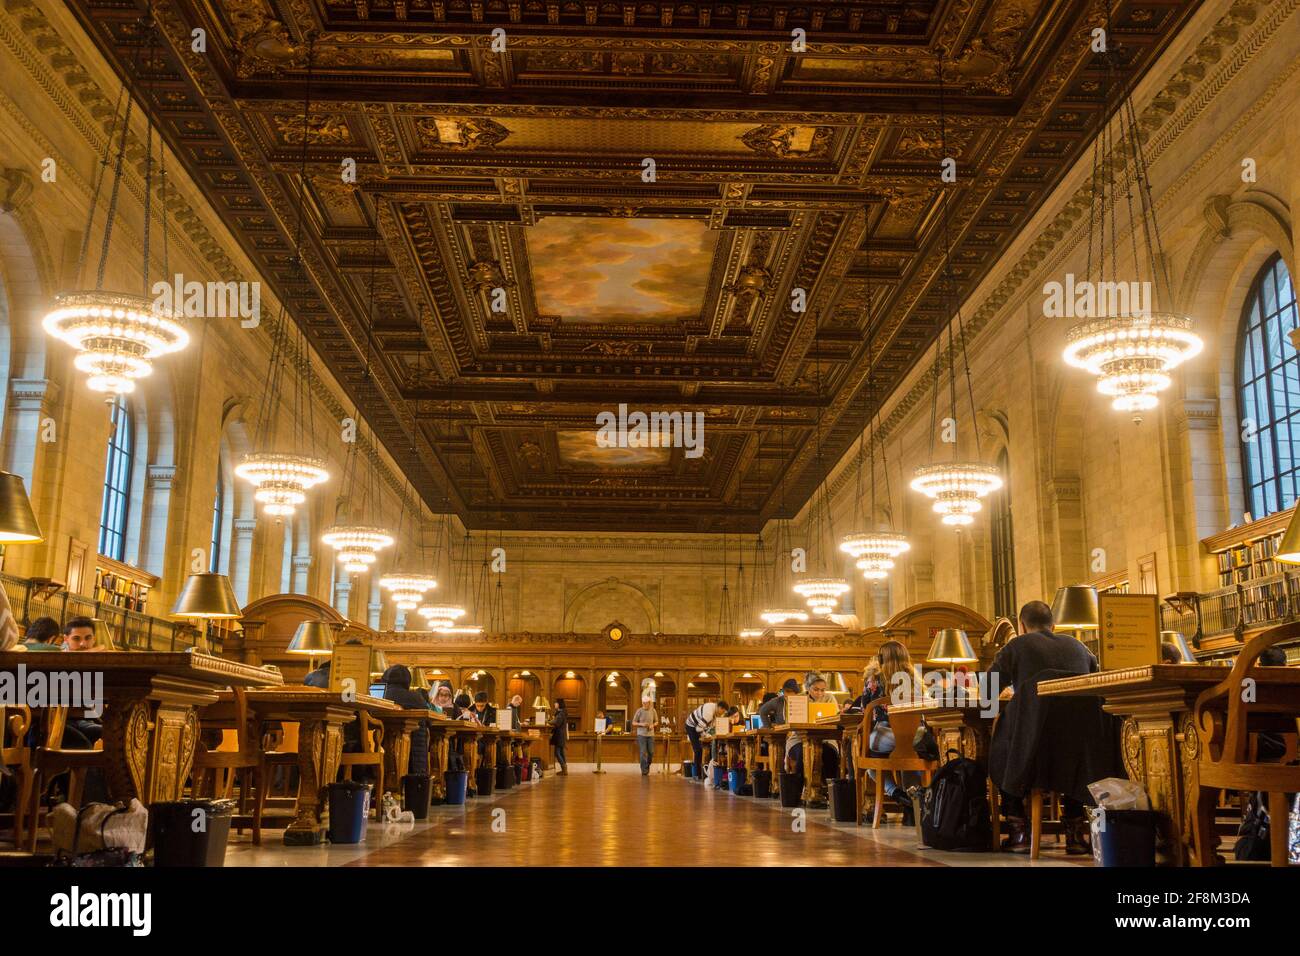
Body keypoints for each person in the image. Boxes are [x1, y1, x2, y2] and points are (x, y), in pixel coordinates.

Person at [989, 599, 1116, 855]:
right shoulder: (1080, 648)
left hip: (1032, 748)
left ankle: (1019, 830)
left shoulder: (1017, 645)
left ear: (1021, 626)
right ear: (1053, 625)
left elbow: (987, 690)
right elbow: (1097, 684)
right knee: (1076, 761)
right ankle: (1075, 832)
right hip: (1078, 750)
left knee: (1002, 747)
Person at [855, 640, 920, 821]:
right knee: (909, 761)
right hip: (915, 736)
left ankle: (896, 793)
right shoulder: (916, 679)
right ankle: (915, 807)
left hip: (885, 736)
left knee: (870, 763)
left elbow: (865, 711)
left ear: (881, 658)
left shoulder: (874, 680)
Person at [784, 674, 840, 792]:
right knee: (802, 754)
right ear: (808, 688)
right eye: (816, 689)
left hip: (825, 738)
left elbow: (836, 717)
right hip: (799, 738)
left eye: (823, 690)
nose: (820, 693)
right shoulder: (798, 699)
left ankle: (829, 790)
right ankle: (798, 790)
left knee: (831, 754)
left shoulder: (830, 698)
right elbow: (788, 718)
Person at [377, 664, 433, 774]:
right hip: (413, 757)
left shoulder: (378, 697)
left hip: (380, 748)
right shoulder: (415, 697)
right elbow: (429, 722)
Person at [684, 698, 726, 780]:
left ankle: (708, 773)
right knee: (698, 750)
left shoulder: (714, 709)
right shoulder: (709, 713)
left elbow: (710, 726)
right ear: (719, 708)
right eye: (723, 711)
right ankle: (697, 775)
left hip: (697, 726)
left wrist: (708, 733)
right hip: (691, 726)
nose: (722, 714)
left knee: (708, 746)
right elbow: (698, 729)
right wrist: (706, 735)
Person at [632, 697, 658, 775]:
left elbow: (656, 721)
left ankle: (647, 765)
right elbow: (633, 722)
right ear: (643, 703)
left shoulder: (653, 710)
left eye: (649, 703)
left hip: (651, 734)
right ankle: (644, 771)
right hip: (641, 735)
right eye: (646, 703)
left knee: (651, 752)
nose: (648, 705)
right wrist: (642, 724)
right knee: (643, 752)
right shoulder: (639, 711)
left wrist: (653, 725)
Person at [551, 701, 569, 774]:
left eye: (556, 703)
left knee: (557, 753)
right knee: (561, 752)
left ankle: (564, 768)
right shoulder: (562, 712)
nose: (554, 704)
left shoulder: (561, 713)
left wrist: (548, 721)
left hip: (559, 735)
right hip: (561, 735)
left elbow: (556, 722)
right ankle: (564, 770)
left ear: (559, 704)